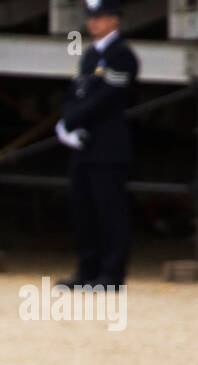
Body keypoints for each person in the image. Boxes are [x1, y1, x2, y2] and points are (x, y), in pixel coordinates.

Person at [57, 0, 137, 288]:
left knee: (109, 211)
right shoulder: (90, 55)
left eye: (100, 17)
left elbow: (107, 98)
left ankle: (112, 273)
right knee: (84, 210)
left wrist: (72, 120)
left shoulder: (122, 55)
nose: (93, 23)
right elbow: (78, 92)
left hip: (108, 145)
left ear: (114, 19)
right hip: (84, 145)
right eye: (91, 18)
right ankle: (86, 270)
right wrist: (66, 120)